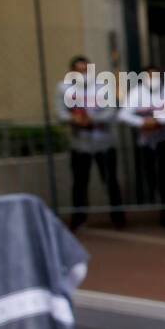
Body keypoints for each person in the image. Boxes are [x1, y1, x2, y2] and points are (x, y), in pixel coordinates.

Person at [56, 55, 126, 230]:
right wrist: (74, 120)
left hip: (104, 143)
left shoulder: (102, 87)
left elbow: (111, 111)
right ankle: (78, 219)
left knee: (110, 181)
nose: (83, 74)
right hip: (80, 145)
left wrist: (92, 120)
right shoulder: (64, 89)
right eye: (79, 71)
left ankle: (118, 218)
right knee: (80, 183)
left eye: (85, 70)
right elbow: (60, 113)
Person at [119, 66, 165, 227]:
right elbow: (123, 114)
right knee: (154, 177)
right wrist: (143, 122)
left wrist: (158, 121)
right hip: (148, 143)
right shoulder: (137, 93)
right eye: (149, 76)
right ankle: (162, 210)